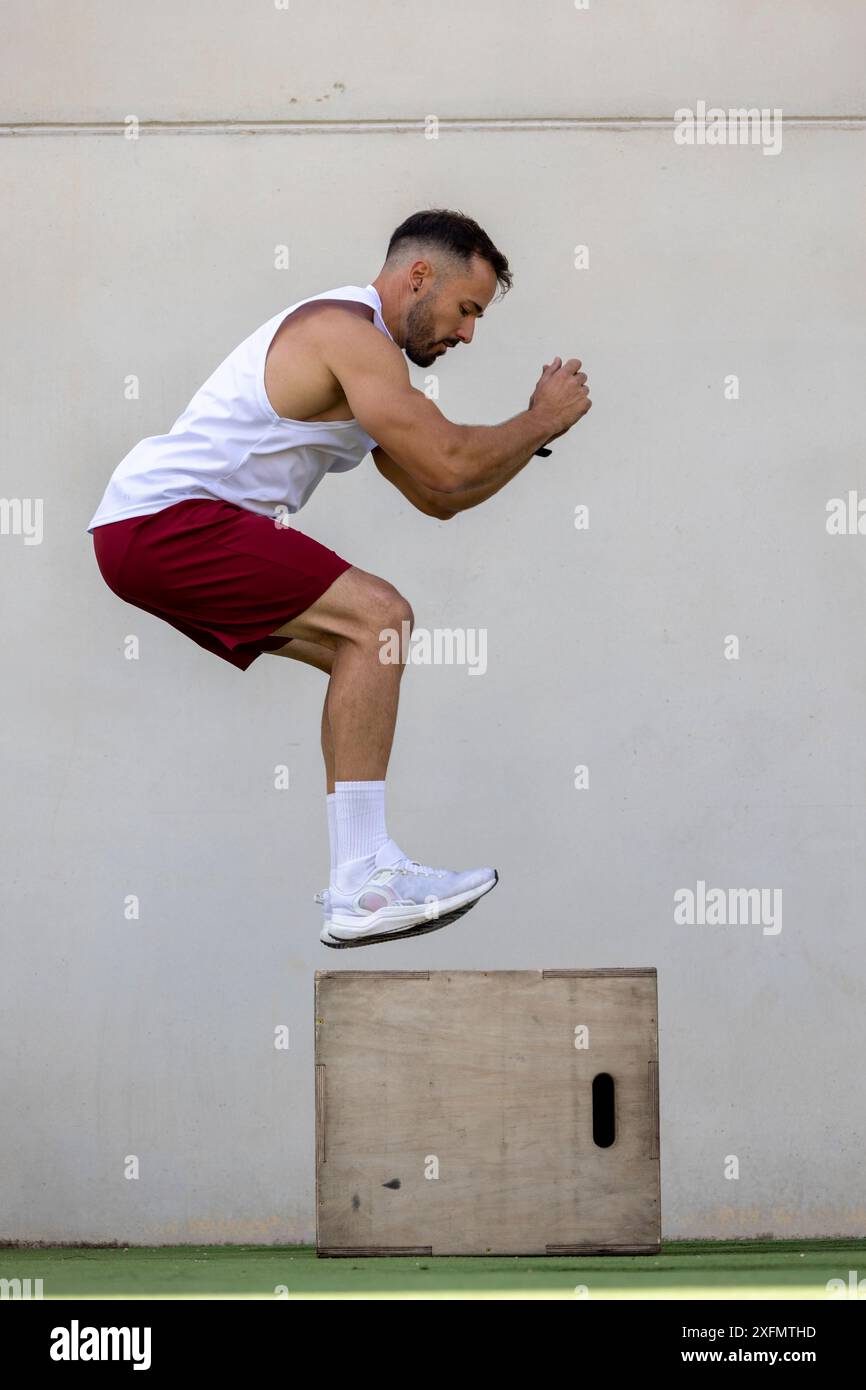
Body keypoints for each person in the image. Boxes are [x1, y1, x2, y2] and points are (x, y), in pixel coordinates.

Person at [88, 208, 592, 948]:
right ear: (418, 276)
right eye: (466, 310)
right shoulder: (347, 335)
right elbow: (451, 459)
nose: (467, 334)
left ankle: (365, 874)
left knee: (367, 653)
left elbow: (439, 495)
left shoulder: (371, 365)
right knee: (380, 618)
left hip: (141, 532)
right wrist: (539, 421)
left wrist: (527, 437)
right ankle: (360, 880)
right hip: (167, 519)